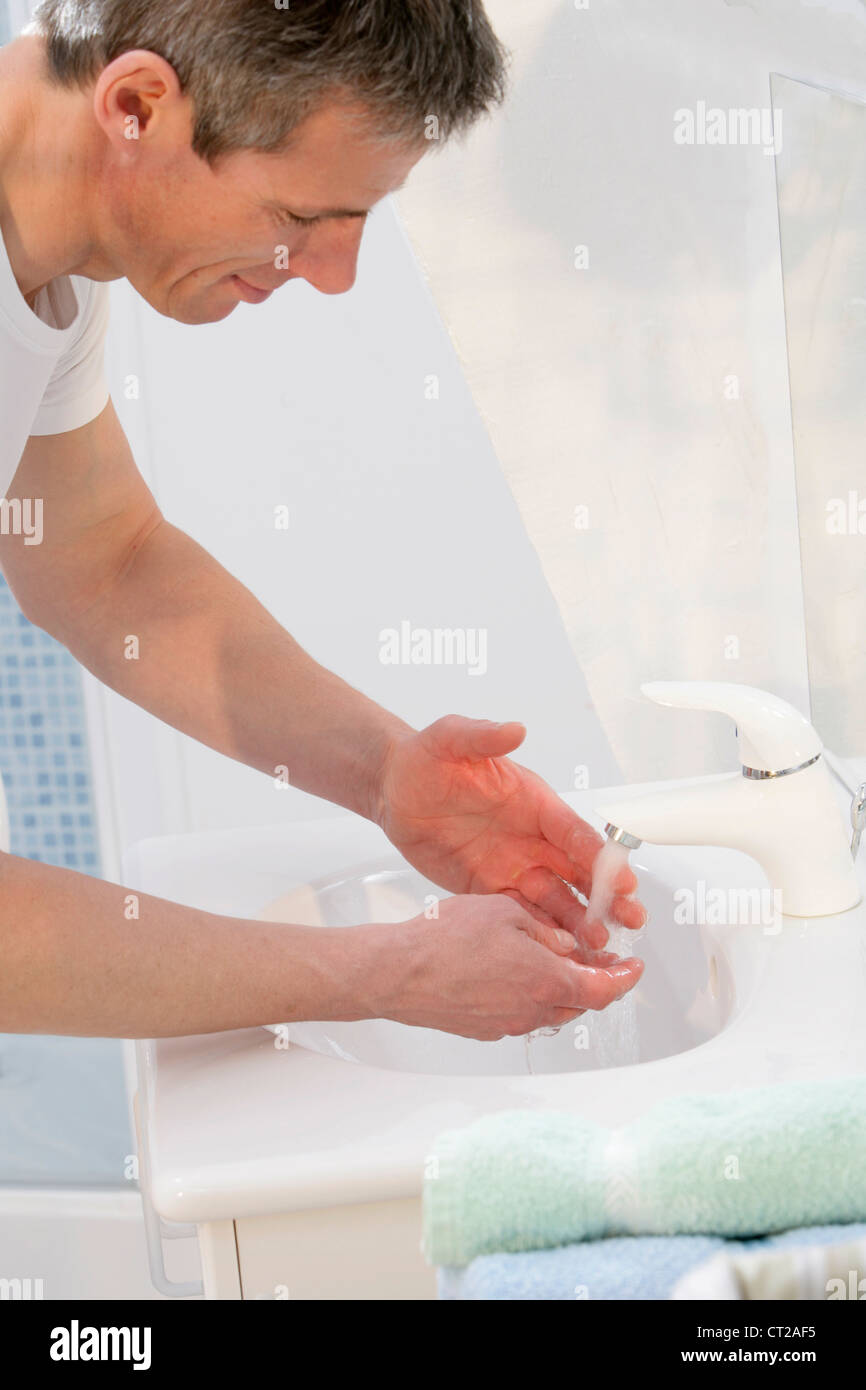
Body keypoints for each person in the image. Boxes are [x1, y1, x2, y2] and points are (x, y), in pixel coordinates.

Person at [0, 0, 644, 1043]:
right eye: (300, 216)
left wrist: (387, 775)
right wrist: (381, 969)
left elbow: (103, 562)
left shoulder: (46, 255)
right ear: (136, 106)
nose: (335, 273)